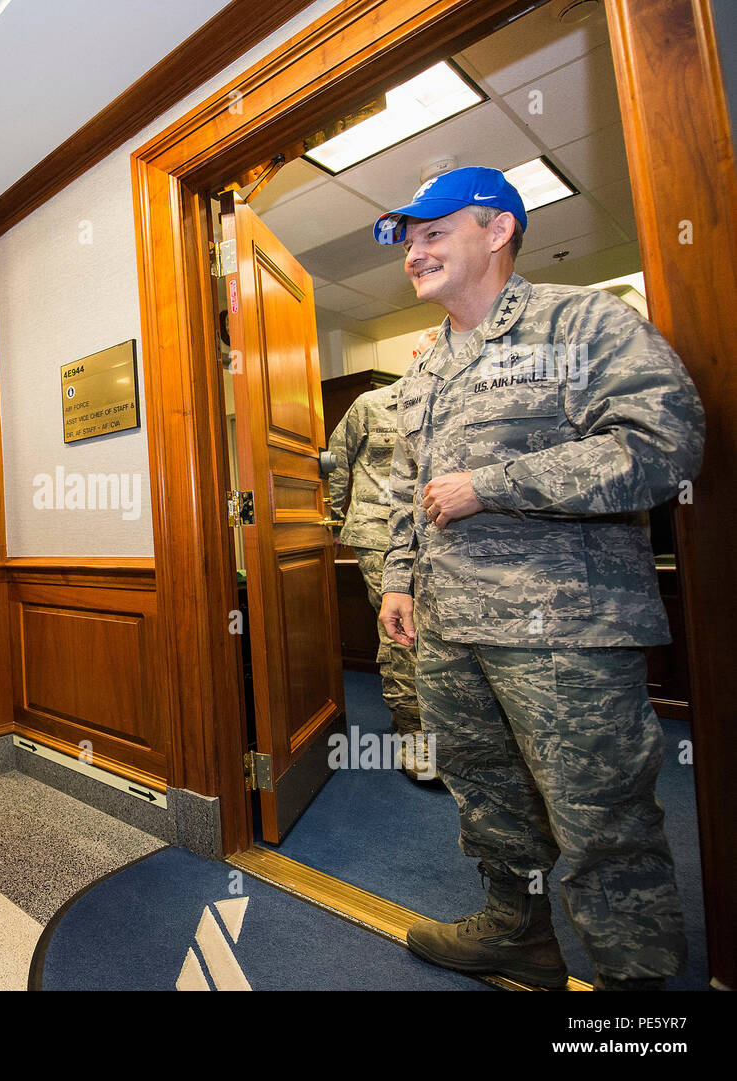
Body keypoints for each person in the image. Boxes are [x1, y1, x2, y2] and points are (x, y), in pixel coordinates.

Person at [372, 166, 704, 990]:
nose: (415, 251)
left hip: (564, 630)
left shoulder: (581, 319)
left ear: (498, 229)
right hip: (451, 630)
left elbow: (661, 444)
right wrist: (399, 578)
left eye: (434, 231)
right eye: (408, 240)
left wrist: (497, 483)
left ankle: (635, 995)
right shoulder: (423, 371)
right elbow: (410, 491)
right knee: (487, 795)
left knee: (602, 819)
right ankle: (517, 931)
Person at [326, 329, 439, 781]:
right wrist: (331, 525)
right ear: (415, 352)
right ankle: (413, 733)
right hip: (378, 535)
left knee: (440, 632)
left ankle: (452, 727)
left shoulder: (451, 404)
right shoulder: (371, 406)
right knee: (400, 630)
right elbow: (333, 461)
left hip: (439, 534)